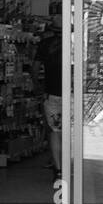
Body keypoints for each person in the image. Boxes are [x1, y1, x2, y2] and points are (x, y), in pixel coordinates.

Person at [38, 27, 62, 185]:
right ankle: (71, 166)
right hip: (73, 94)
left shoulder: (45, 44)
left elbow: (34, 68)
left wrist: (38, 88)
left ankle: (59, 169)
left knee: (55, 131)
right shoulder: (77, 40)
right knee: (73, 132)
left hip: (52, 94)